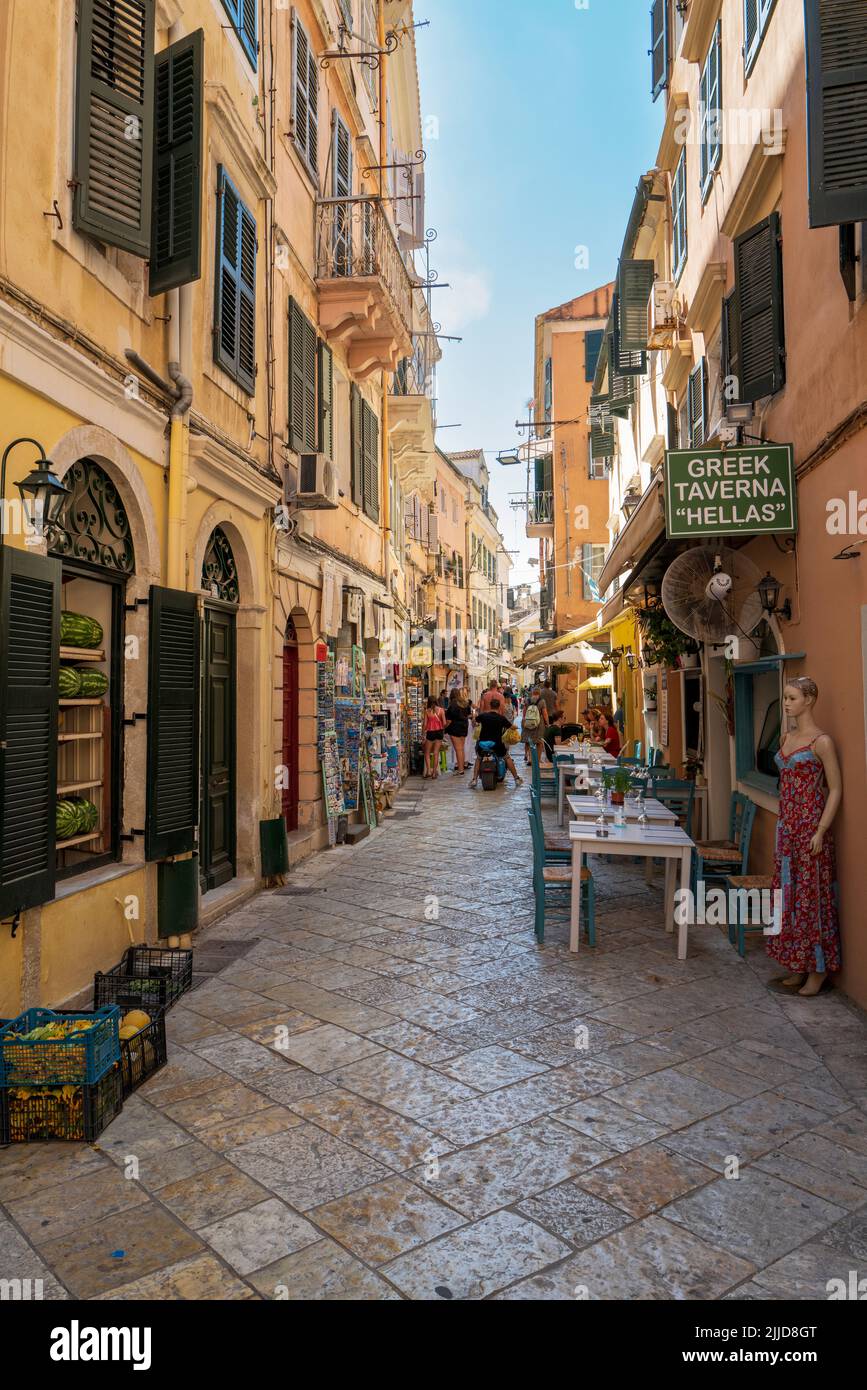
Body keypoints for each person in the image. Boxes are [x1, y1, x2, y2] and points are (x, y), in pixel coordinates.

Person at [767, 676, 842, 998]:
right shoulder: (787, 737)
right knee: (789, 895)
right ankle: (796, 963)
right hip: (787, 826)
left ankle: (818, 969)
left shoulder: (821, 742)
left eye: (792, 698)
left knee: (813, 899)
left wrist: (821, 830)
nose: (786, 703)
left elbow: (836, 788)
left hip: (811, 827)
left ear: (809, 700)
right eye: (785, 697)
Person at [469, 697, 523, 789]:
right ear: (499, 707)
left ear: (490, 706)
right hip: (497, 744)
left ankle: (474, 779)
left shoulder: (483, 716)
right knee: (507, 757)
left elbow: (474, 722)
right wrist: (516, 727)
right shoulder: (501, 718)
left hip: (482, 744)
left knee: (478, 758)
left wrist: (474, 718)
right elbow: (511, 726)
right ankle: (516, 778)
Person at [445, 688, 471, 774]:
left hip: (455, 728)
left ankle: (460, 770)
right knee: (461, 749)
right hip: (464, 727)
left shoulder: (452, 704)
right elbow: (468, 714)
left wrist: (443, 727)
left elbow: (449, 720)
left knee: (458, 749)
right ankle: (461, 767)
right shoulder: (465, 703)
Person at [522, 685, 548, 766]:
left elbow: (524, 712)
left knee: (530, 742)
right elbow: (545, 714)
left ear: (532, 692)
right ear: (539, 693)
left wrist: (524, 721)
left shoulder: (527, 700)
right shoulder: (542, 701)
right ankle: (538, 759)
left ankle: (530, 759)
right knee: (539, 742)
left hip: (528, 723)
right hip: (538, 723)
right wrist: (547, 722)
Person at [423, 697, 446, 779]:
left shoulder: (427, 711)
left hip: (430, 732)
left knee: (427, 753)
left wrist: (423, 734)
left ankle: (428, 770)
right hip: (439, 732)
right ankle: (434, 773)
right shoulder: (441, 710)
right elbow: (444, 723)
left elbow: (425, 724)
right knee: (436, 752)